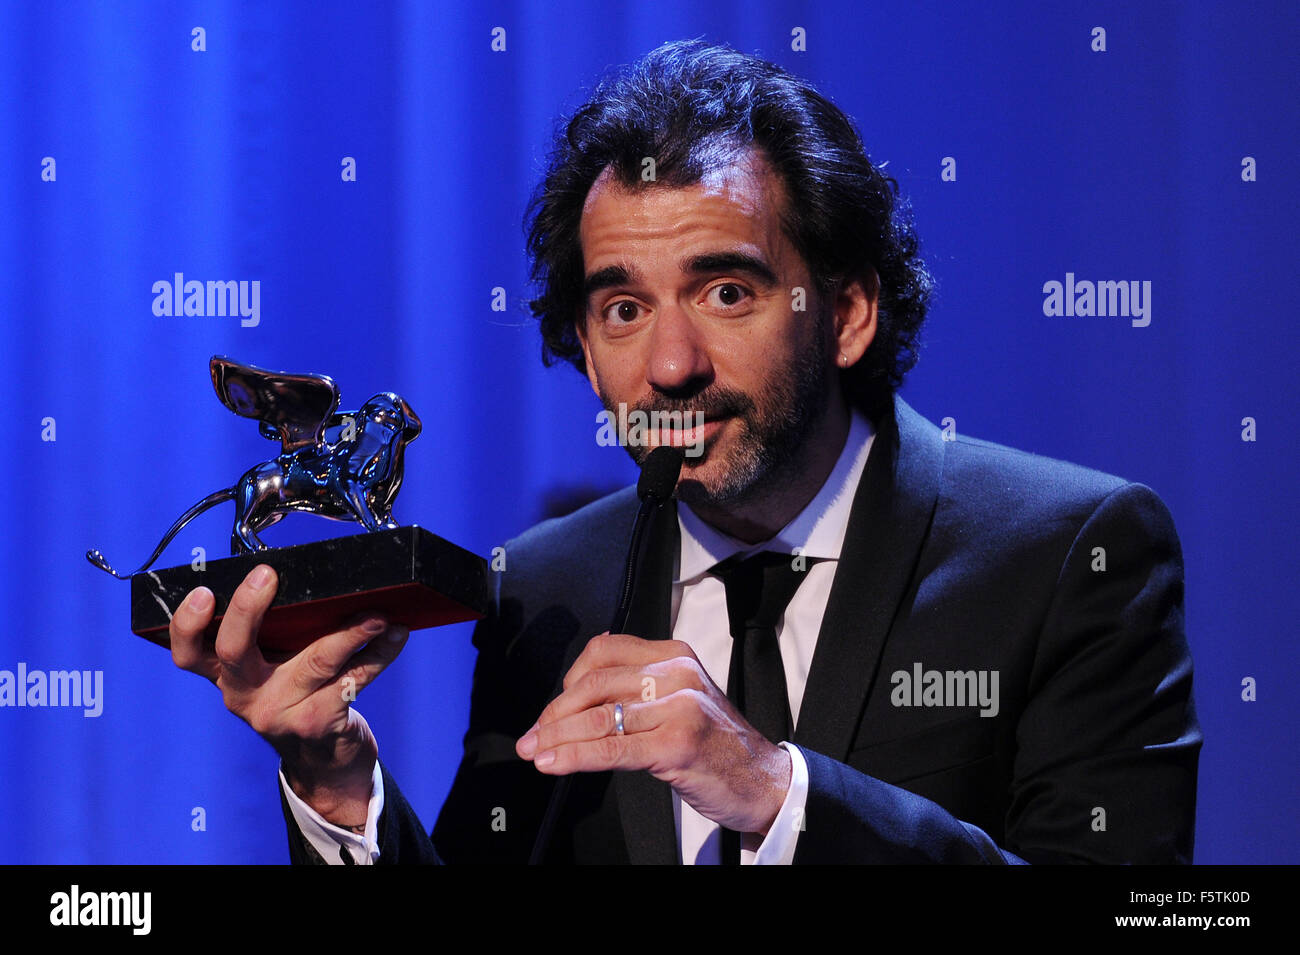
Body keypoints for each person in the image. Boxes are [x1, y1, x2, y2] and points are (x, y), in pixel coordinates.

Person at [169, 39, 1200, 865]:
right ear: (582, 352)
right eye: (622, 307)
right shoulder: (543, 585)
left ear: (843, 311)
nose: (669, 365)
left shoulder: (1072, 553)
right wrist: (336, 785)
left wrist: (772, 793)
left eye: (725, 292)